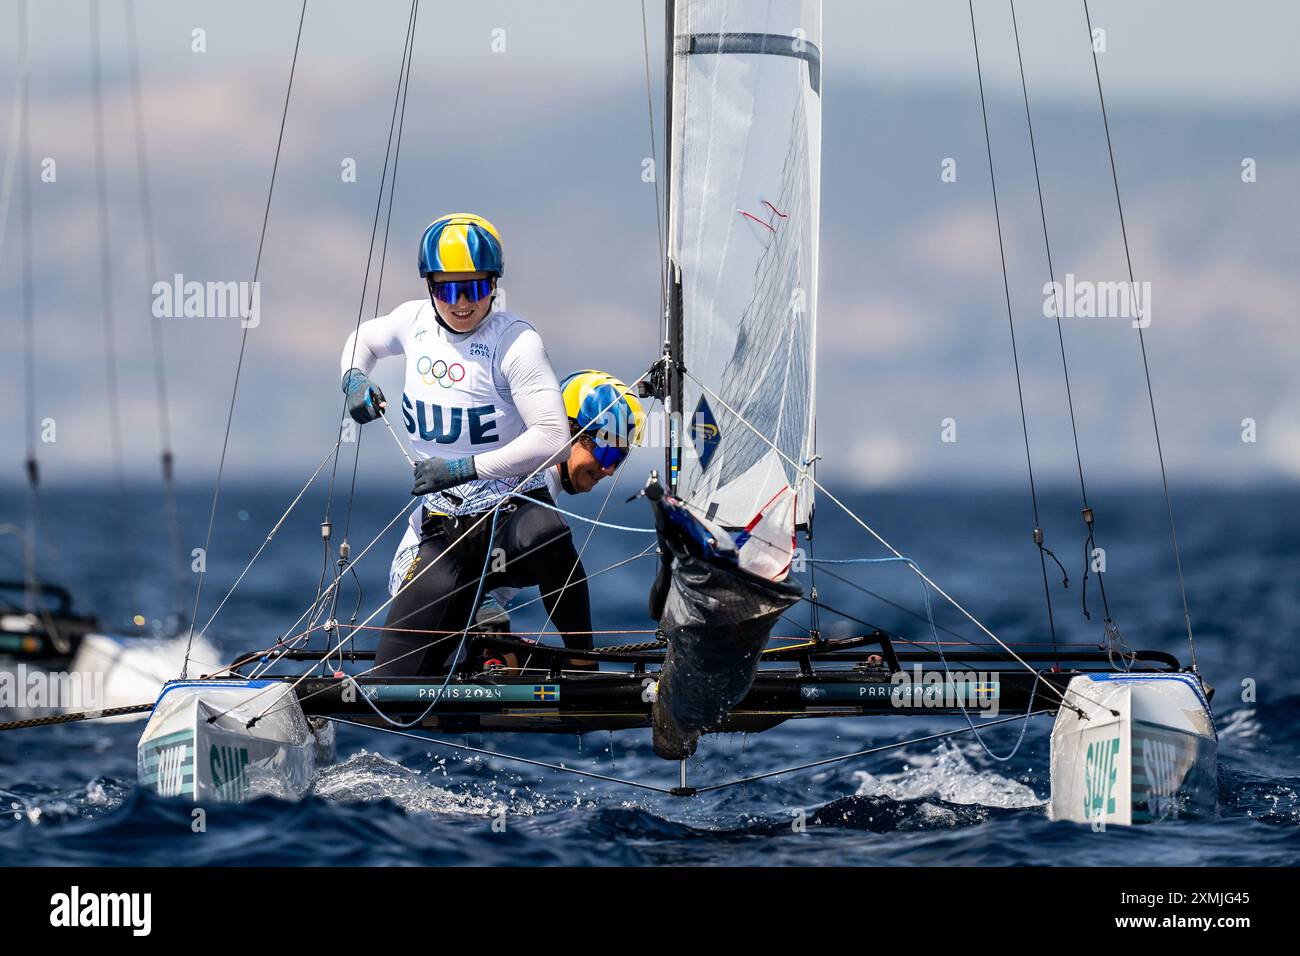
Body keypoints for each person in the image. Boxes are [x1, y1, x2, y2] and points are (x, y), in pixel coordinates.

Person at [341, 213, 591, 675]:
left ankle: (581, 658)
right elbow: (363, 339)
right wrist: (354, 377)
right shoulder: (412, 323)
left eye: (473, 289)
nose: (460, 303)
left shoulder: (516, 342)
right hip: (444, 528)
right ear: (429, 286)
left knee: (550, 535)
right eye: (446, 289)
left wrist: (465, 469)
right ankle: (488, 651)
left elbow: (555, 440)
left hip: (512, 515)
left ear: (493, 286)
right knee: (393, 686)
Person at [386, 369, 646, 637]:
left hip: (471, 610)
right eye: (607, 452)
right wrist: (479, 605)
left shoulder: (545, 489)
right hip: (423, 579)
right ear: (568, 430)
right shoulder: (525, 473)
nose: (610, 470)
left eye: (620, 457)